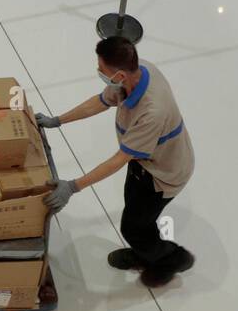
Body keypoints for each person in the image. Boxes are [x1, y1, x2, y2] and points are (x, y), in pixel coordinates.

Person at [37, 36, 195, 288]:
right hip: (143, 162)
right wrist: (58, 120)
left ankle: (170, 259)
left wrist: (73, 186)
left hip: (163, 174)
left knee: (133, 227)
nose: (99, 73)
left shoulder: (152, 111)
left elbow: (119, 159)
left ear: (120, 74)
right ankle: (144, 249)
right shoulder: (136, 72)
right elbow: (100, 102)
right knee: (135, 216)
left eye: (102, 70)